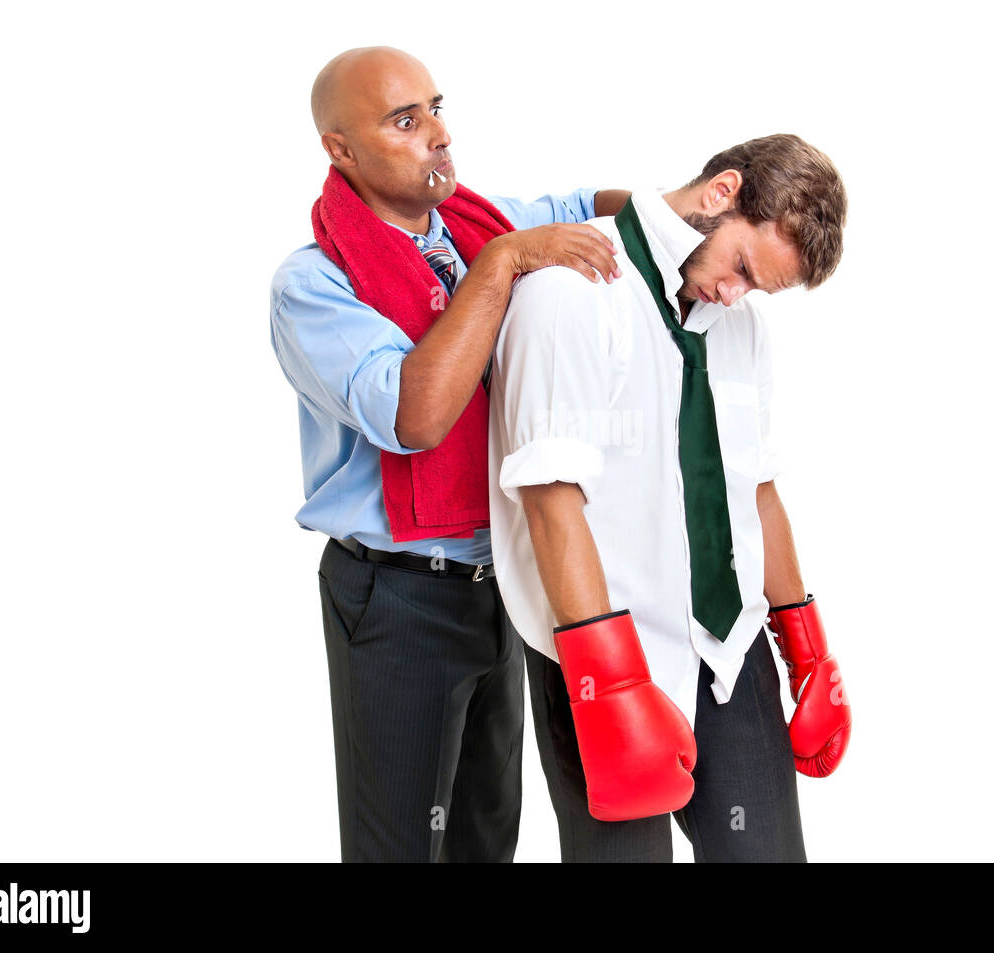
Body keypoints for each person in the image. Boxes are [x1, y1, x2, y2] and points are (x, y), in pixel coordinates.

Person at [269, 45, 627, 862]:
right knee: (399, 846)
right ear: (341, 148)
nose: (437, 133)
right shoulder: (313, 285)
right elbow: (416, 413)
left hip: (497, 579)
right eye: (405, 120)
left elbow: (579, 204)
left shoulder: (477, 222)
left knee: (483, 836)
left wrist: (691, 213)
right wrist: (502, 265)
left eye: (435, 107)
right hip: (395, 599)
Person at [488, 134, 853, 862]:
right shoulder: (572, 286)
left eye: (757, 288)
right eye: (741, 267)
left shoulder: (740, 325)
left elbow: (757, 491)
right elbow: (550, 502)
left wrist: (805, 647)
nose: (733, 294)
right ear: (720, 194)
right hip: (601, 651)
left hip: (727, 646)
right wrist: (613, 683)